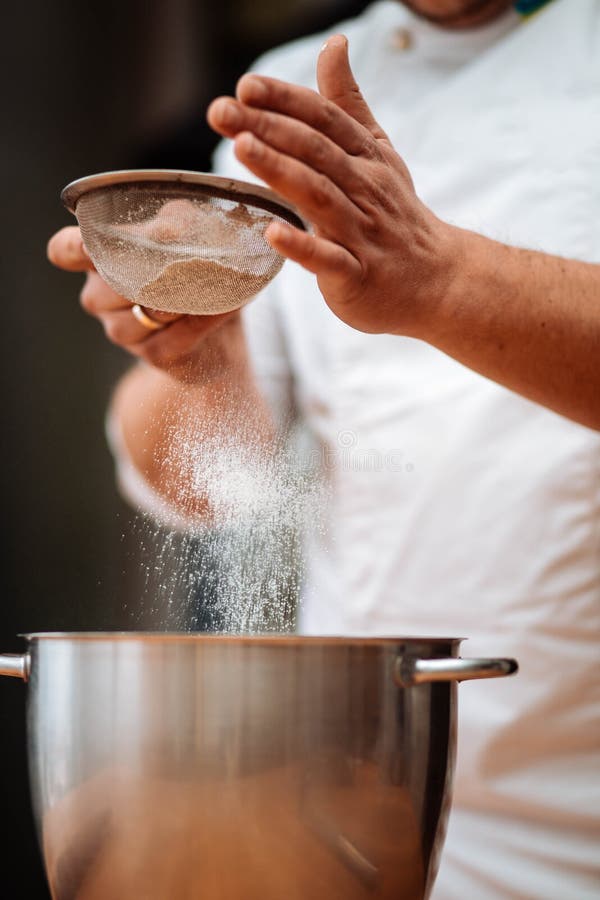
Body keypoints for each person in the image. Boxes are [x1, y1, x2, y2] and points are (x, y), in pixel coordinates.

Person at [47, 0, 600, 896]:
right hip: (367, 808)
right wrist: (195, 356)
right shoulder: (289, 107)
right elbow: (211, 482)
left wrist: (444, 281)